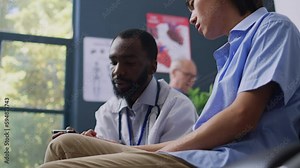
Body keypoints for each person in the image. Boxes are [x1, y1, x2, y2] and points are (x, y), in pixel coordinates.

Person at [39, 0, 300, 167]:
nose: (191, 17)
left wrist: (146, 154)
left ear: (152, 66)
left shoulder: (273, 27)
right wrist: (125, 151)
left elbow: (243, 117)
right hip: (193, 156)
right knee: (63, 144)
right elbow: (192, 140)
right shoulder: (229, 56)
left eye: (191, 3)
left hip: (226, 161)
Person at [52, 29, 198, 146]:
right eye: (114, 62)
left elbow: (171, 163)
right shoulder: (107, 111)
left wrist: (107, 149)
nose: (117, 71)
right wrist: (88, 145)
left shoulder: (178, 108)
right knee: (62, 144)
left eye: (129, 63)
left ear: (152, 67)